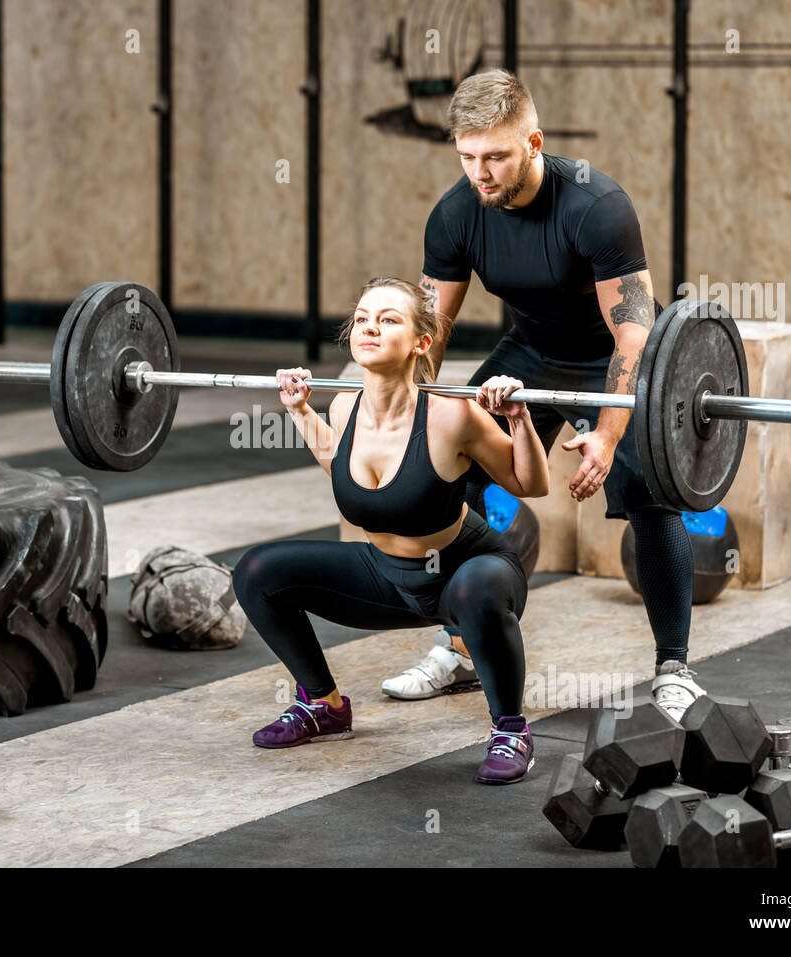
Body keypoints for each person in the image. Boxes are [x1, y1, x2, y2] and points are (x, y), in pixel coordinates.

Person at [383, 68, 704, 720]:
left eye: (496, 155)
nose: (482, 172)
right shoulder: (455, 214)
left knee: (648, 493)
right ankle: (462, 648)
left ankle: (674, 667)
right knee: (448, 470)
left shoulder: (596, 207)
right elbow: (430, 333)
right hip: (529, 353)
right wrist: (410, 414)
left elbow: (633, 337)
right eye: (468, 157)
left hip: (610, 356)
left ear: (534, 142)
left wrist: (609, 436)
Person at [231, 276, 550, 784]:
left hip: (465, 575)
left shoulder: (452, 414)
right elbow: (340, 465)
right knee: (256, 570)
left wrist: (518, 419)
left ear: (421, 343)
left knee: (479, 585)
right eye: (361, 319)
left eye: (388, 319)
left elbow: (530, 484)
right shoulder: (343, 406)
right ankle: (323, 705)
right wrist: (299, 410)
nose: (369, 328)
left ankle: (511, 730)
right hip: (386, 577)